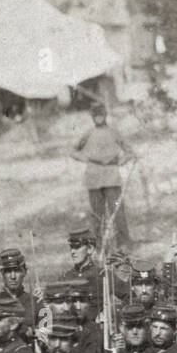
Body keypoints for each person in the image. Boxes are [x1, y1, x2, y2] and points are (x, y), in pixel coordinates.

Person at [71, 105, 131, 250]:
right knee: (97, 214)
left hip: (111, 176)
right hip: (94, 177)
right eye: (96, 115)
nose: (99, 118)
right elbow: (73, 151)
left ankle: (123, 243)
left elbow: (129, 151)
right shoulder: (88, 133)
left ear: (105, 115)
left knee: (117, 212)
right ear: (92, 117)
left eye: (101, 115)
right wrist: (86, 159)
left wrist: (121, 161)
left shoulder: (114, 132)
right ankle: (98, 245)